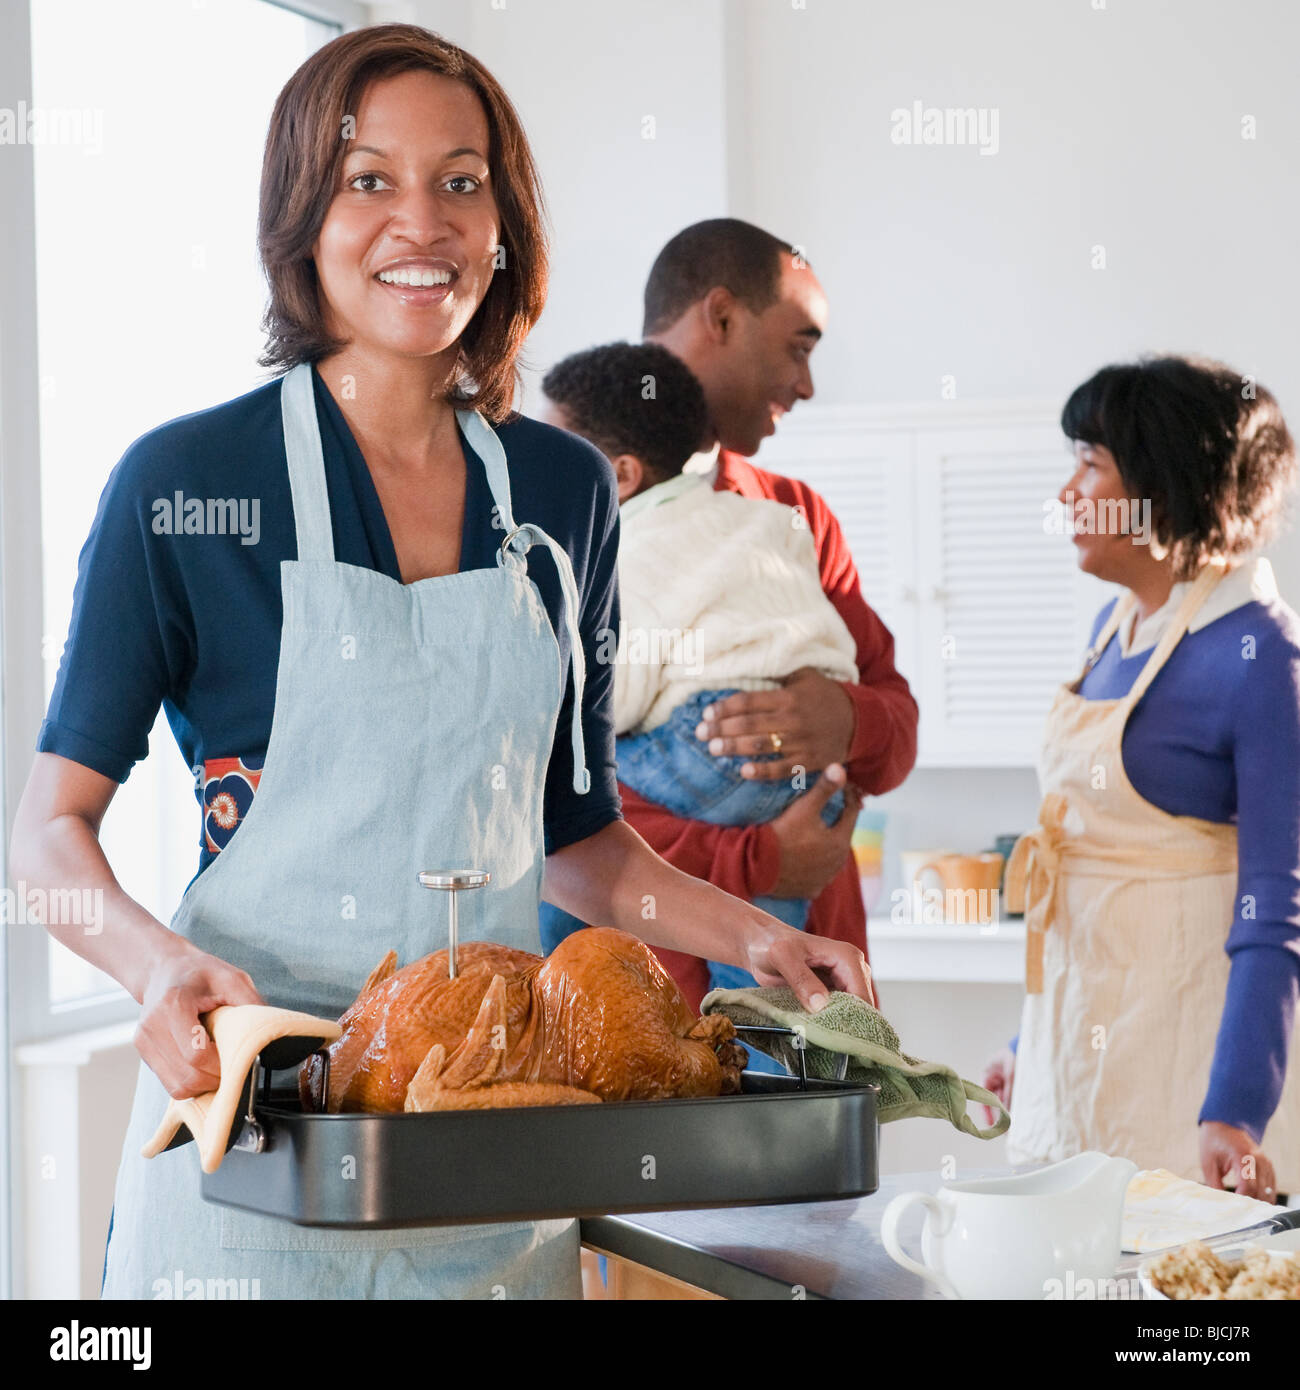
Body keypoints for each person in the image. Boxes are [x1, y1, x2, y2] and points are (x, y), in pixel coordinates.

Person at [10, 27, 873, 1302]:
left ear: (504, 223)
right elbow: (46, 837)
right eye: (369, 179)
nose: (421, 219)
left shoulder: (566, 490)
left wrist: (758, 939)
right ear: (302, 217)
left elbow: (576, 837)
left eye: (460, 181)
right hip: (259, 1155)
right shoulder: (188, 486)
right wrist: (154, 966)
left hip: (491, 1161)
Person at [991, 355, 1300, 1198]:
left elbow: (1277, 904)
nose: (1067, 496)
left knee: (1174, 1307)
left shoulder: (1262, 655)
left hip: (1184, 1060)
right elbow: (1088, 863)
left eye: (1089, 464)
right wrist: (1029, 1048)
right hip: (1082, 1036)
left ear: (1162, 486)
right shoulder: (1115, 625)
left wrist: (1237, 1108)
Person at [614, 220, 918, 1010]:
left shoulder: (794, 516)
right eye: (799, 347)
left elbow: (899, 723)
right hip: (637, 1002)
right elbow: (541, 796)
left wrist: (843, 721)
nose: (807, 385)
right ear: (720, 317)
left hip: (820, 992)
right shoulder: (569, 515)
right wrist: (752, 859)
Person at [538, 341, 858, 1012]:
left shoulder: (622, 547)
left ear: (619, 475)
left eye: (553, 454)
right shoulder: (768, 523)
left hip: (708, 742)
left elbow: (608, 699)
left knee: (554, 784)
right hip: (802, 781)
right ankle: (783, 1056)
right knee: (770, 972)